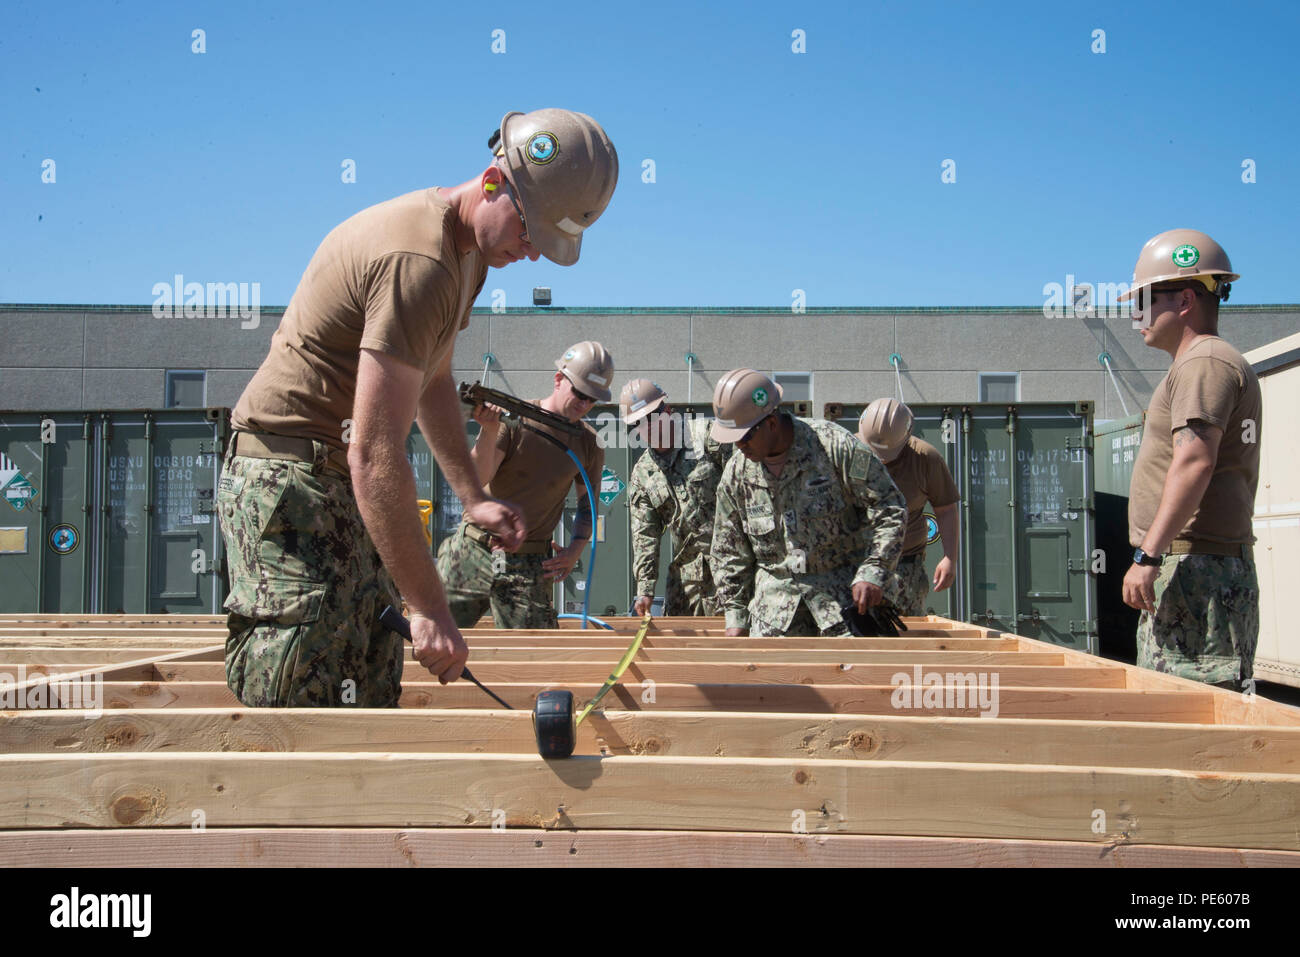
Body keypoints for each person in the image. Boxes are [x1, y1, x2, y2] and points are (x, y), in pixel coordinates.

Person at [217, 109, 618, 706]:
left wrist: (474, 497)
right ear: (492, 182)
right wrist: (431, 608)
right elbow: (376, 455)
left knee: (370, 663)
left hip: (329, 479)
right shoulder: (421, 261)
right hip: (287, 478)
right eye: (529, 230)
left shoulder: (467, 258)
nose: (531, 252)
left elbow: (433, 381)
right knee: (301, 684)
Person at [1117, 228, 1261, 690]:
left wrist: (1147, 554)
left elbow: (1195, 461)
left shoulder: (1205, 362)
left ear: (1183, 300)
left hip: (1197, 570)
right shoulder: (1198, 363)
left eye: (1143, 300)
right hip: (1191, 567)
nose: (1134, 314)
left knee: (1192, 717)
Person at [709, 369, 907, 637]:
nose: (739, 446)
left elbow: (888, 506)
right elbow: (727, 550)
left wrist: (874, 569)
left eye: (745, 436)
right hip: (775, 616)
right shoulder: (737, 475)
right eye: (733, 438)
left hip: (845, 606)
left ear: (771, 423)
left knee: (858, 676)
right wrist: (735, 616)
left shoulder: (835, 448)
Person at [436, 341, 611, 629]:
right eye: (579, 393)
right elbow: (476, 480)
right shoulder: (515, 419)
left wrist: (575, 549)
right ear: (558, 380)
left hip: (529, 563)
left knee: (535, 660)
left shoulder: (588, 442)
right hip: (473, 550)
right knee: (434, 639)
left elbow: (588, 504)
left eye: (592, 399)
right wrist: (489, 431)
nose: (584, 404)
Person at [622, 378, 732, 616]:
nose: (648, 426)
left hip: (733, 571)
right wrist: (645, 588)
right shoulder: (644, 474)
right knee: (684, 648)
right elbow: (644, 535)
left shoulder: (708, 438)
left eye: (652, 417)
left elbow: (746, 491)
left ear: (667, 411)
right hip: (687, 582)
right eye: (639, 423)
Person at [858, 398, 960, 615]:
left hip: (905, 566)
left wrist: (949, 557)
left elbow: (946, 509)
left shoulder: (925, 458)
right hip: (855, 564)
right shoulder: (848, 453)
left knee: (905, 637)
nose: (882, 460)